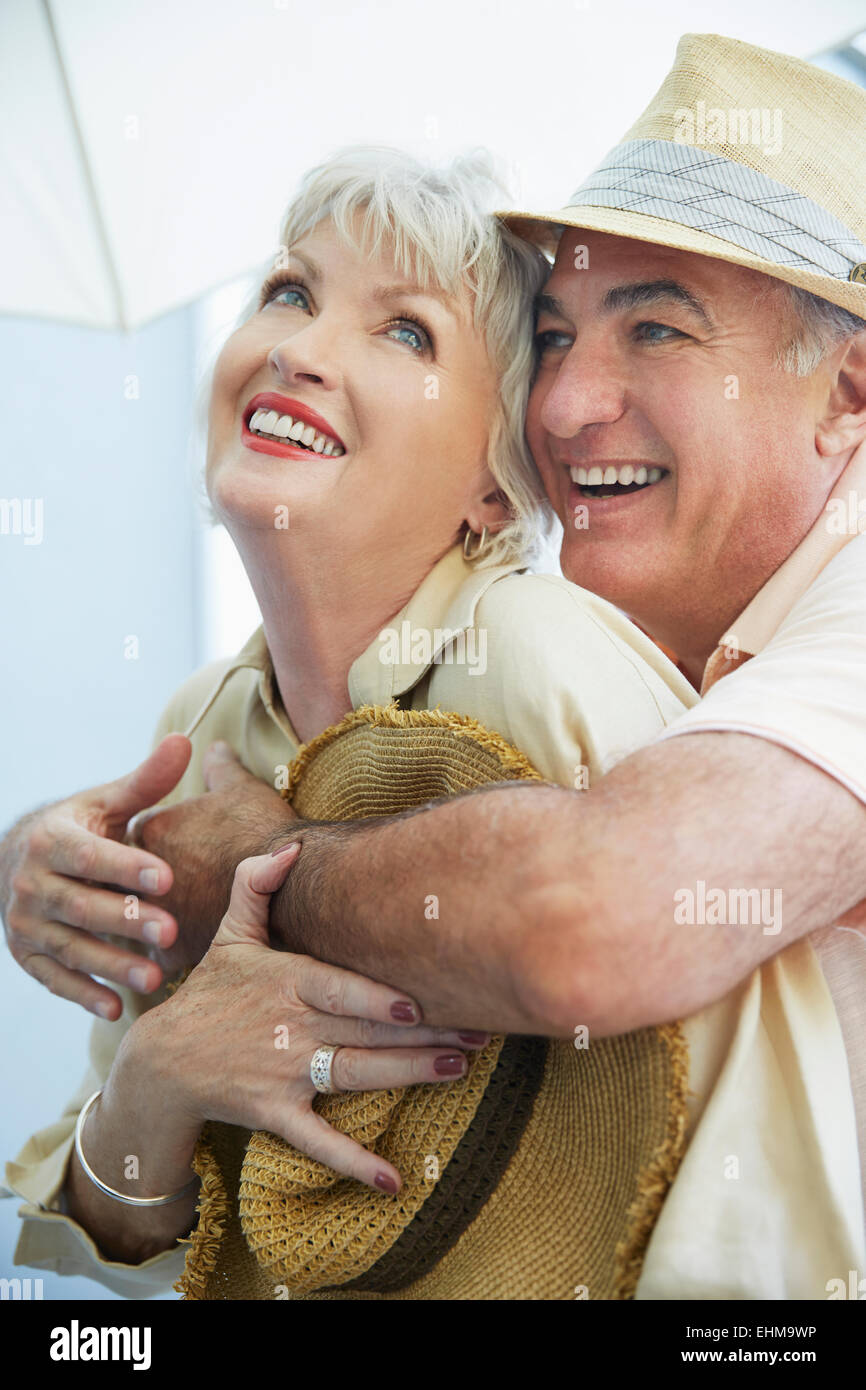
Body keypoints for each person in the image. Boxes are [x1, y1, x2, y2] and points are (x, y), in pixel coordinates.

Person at [28, 32, 866, 1298]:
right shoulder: (192, 725)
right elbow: (116, 1268)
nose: (572, 405)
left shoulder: (549, 654)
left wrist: (228, 872)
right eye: (289, 290)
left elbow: (590, 925)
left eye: (656, 329)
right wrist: (155, 1074)